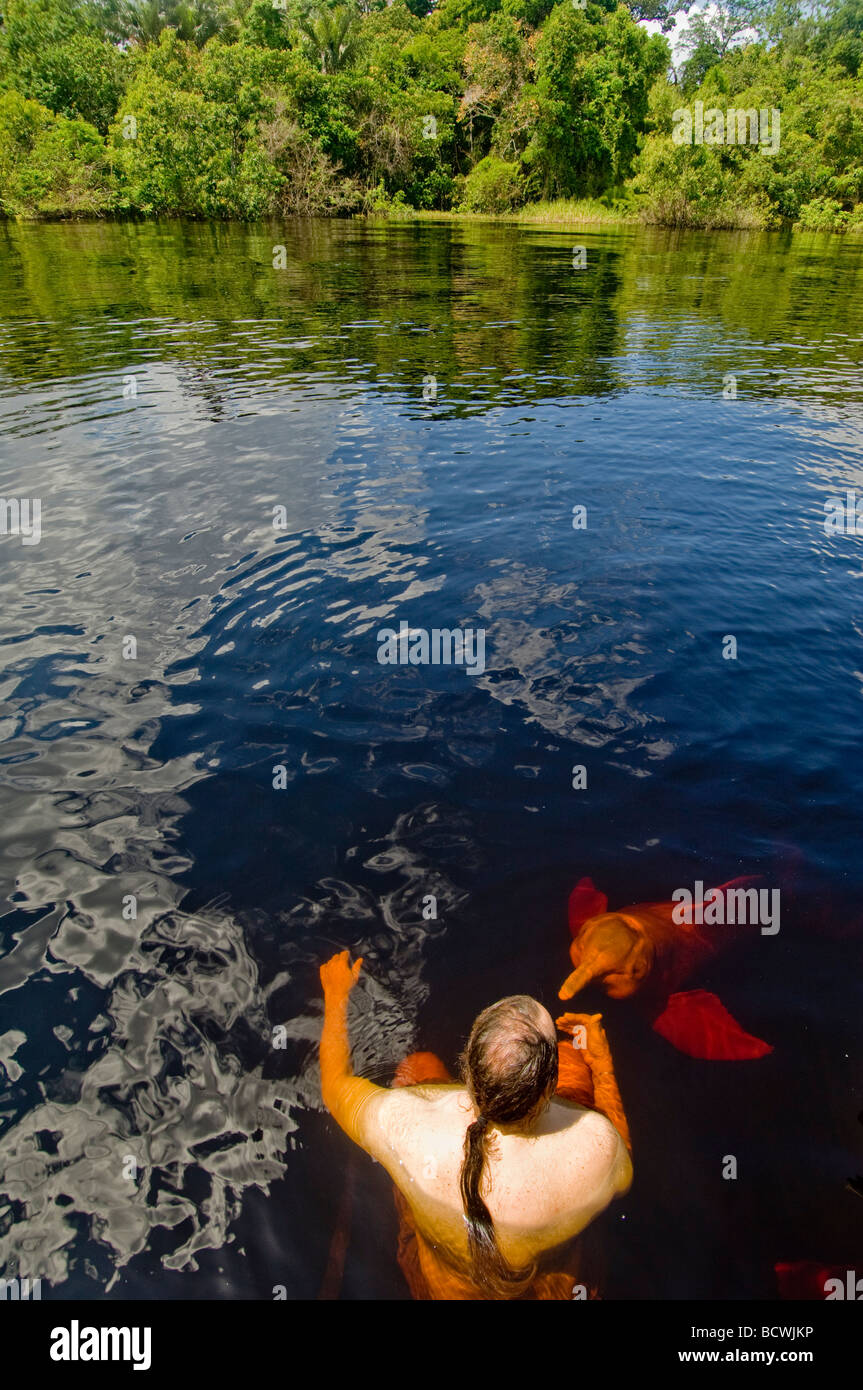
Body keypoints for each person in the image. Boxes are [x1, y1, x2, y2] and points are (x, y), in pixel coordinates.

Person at [319, 949, 632, 1300]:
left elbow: (334, 1088)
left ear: (469, 1065)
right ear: (547, 1088)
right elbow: (622, 1171)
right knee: (576, 1055)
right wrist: (601, 1062)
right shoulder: (598, 1147)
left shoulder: (403, 1124)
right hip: (555, 1288)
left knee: (419, 1065)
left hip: (446, 1289)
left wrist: (336, 995)